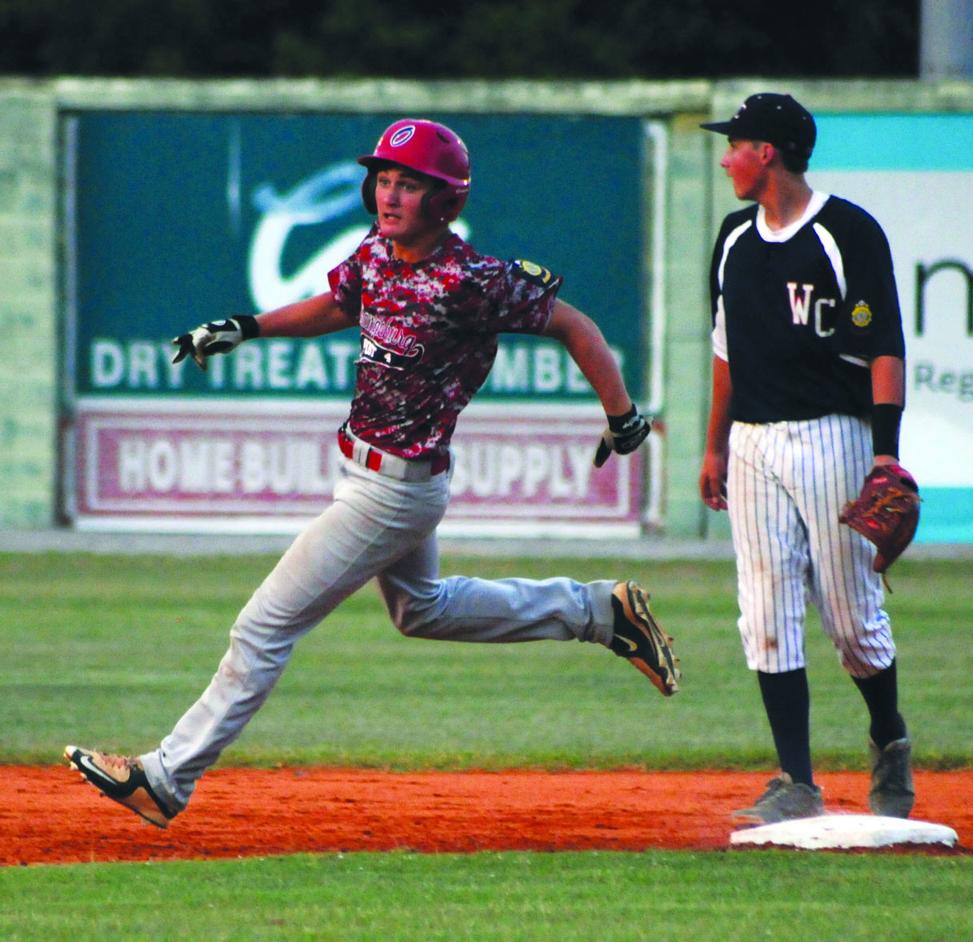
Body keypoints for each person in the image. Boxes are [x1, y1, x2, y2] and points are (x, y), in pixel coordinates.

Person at [66, 118, 679, 828]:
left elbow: (574, 325)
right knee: (423, 610)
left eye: (409, 183)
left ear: (445, 200)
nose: (390, 193)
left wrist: (623, 414)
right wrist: (248, 326)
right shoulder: (377, 251)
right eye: (384, 178)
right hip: (367, 474)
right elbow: (335, 304)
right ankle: (599, 612)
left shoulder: (473, 279)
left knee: (264, 625)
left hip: (395, 491)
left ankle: (166, 777)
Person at [698, 93, 915, 824]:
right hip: (753, 442)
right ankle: (795, 778)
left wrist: (886, 456)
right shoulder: (732, 237)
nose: (726, 155)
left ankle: (888, 737)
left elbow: (884, 346)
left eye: (736, 143)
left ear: (769, 152)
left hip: (834, 436)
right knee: (764, 610)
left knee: (852, 620)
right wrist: (713, 445)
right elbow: (725, 347)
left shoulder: (846, 231)